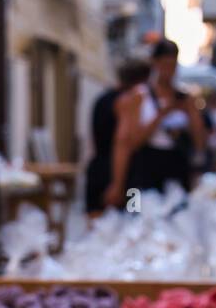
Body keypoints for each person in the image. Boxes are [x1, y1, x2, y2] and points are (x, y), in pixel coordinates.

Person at [105, 39, 208, 209]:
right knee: (135, 217)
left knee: (178, 219)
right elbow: (129, 142)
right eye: (165, 65)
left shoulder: (185, 98)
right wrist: (161, 115)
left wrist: (192, 116)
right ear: (155, 63)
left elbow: (200, 142)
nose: (169, 71)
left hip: (175, 166)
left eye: (173, 65)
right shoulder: (138, 96)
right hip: (142, 168)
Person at [85, 57, 150, 218]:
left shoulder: (102, 99)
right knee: (131, 229)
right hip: (125, 175)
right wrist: (117, 184)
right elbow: (123, 142)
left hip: (98, 168)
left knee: (96, 230)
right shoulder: (130, 101)